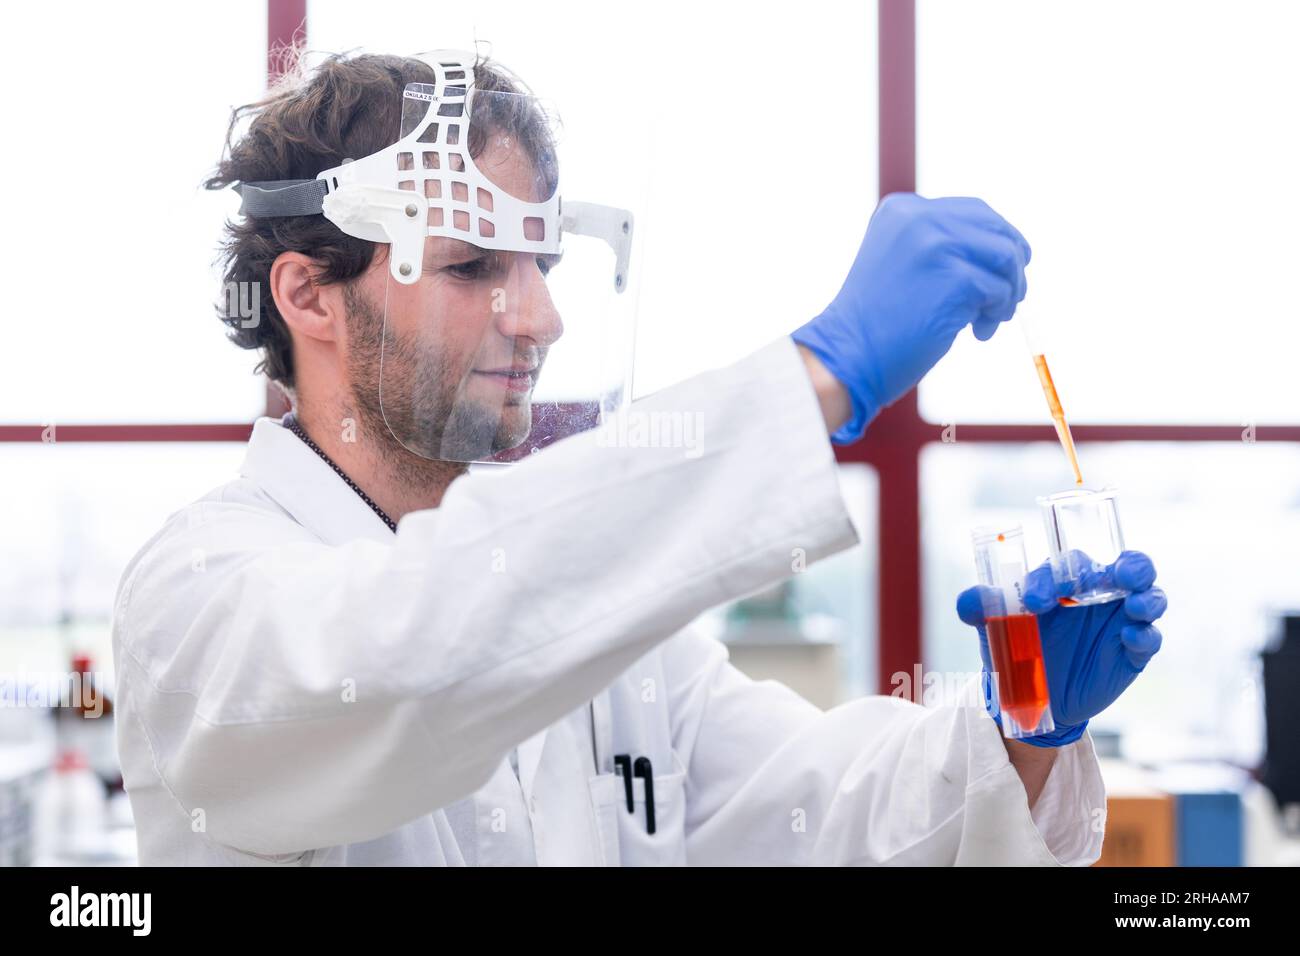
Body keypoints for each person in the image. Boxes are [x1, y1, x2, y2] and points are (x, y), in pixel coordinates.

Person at [111, 50, 1166, 865]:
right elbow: (410, 652)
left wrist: (1022, 730)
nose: (541, 317)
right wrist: (817, 377)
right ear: (306, 296)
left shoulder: (601, 636)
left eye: (541, 264)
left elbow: (824, 813)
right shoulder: (200, 594)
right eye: (476, 264)